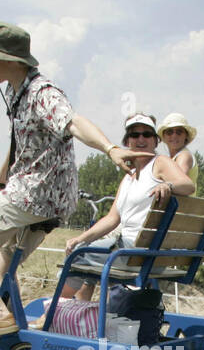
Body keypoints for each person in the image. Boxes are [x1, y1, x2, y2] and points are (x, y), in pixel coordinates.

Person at [0, 21, 140, 342]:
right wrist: (1, 175)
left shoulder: (41, 92)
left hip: (33, 195)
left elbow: (73, 122)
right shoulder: (16, 93)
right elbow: (21, 142)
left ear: (8, 59)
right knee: (4, 258)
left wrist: (110, 148)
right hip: (49, 199)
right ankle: (14, 323)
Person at [62, 113, 195, 300]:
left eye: (147, 134)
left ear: (155, 141)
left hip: (136, 253)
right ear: (127, 142)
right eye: (135, 135)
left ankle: (57, 311)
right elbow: (112, 218)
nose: (141, 139)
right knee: (81, 248)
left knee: (76, 257)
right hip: (138, 254)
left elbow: (188, 185)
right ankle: (83, 311)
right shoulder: (128, 176)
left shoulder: (160, 163)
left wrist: (169, 185)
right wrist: (80, 238)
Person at [158, 112, 198, 188]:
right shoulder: (172, 159)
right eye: (169, 132)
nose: (174, 135)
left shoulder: (184, 155)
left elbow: (179, 181)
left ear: (186, 135)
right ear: (164, 136)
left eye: (179, 132)